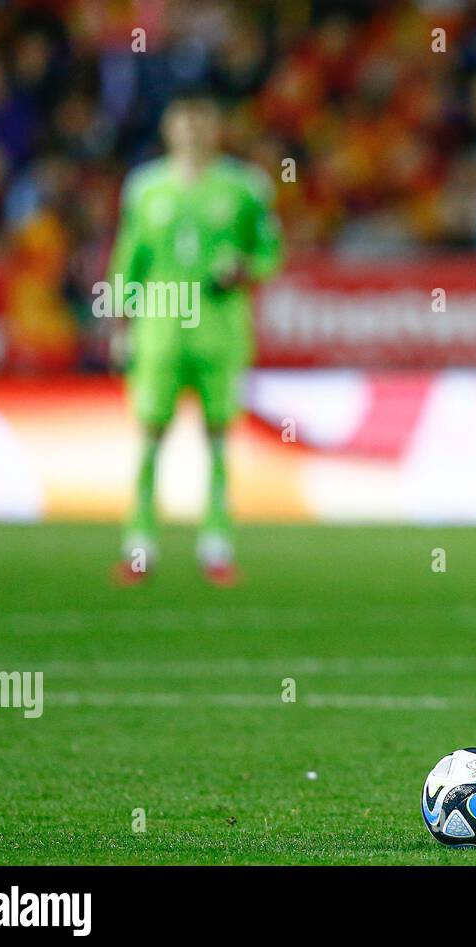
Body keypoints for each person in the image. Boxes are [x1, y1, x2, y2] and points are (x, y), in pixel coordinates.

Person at [109, 91, 283, 586]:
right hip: (160, 331)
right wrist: (120, 323)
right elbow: (129, 260)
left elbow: (271, 252)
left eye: (201, 123)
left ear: (215, 130)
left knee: (219, 442)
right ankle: (139, 547)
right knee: (149, 438)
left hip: (220, 334)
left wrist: (245, 269)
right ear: (169, 130)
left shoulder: (246, 187)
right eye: (183, 123)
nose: (192, 132)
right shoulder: (144, 188)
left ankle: (216, 547)